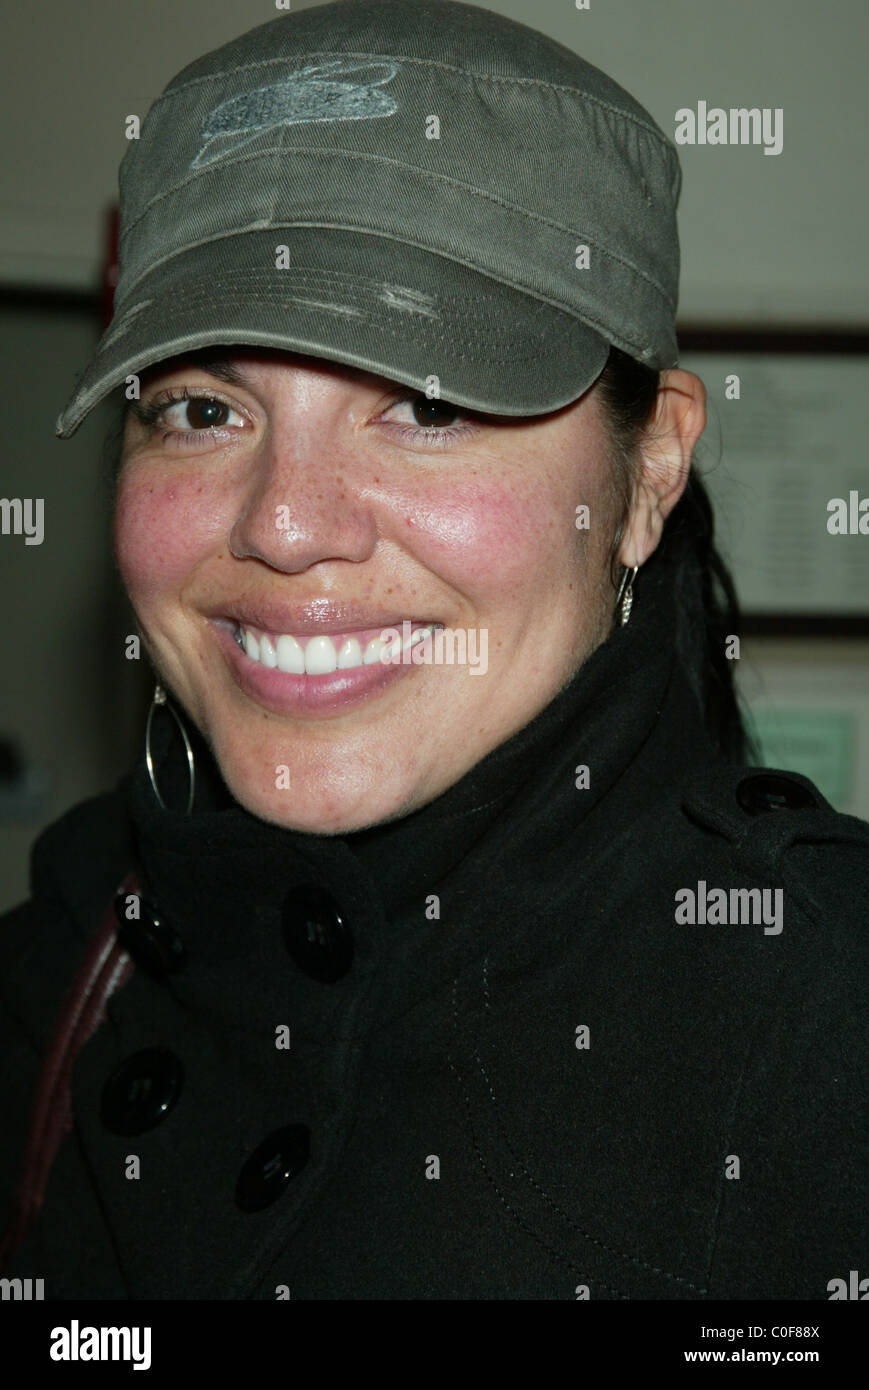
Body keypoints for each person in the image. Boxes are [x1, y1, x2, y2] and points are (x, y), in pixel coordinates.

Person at [1, 0, 866, 1301]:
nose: (285, 525)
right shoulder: (56, 966)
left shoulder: (823, 1025)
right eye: (201, 406)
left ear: (645, 476)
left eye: (428, 403)